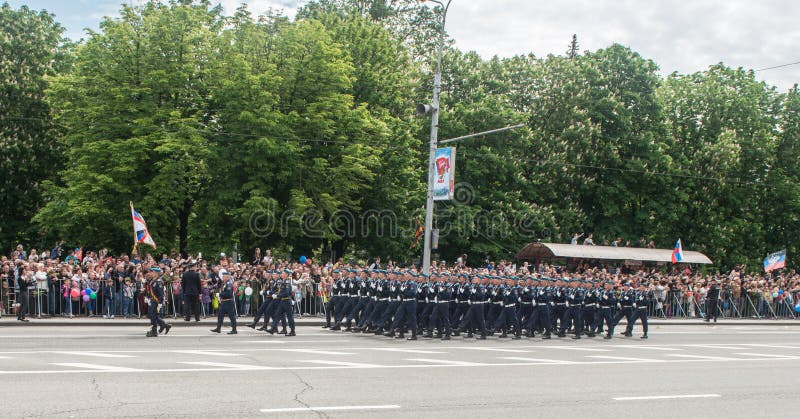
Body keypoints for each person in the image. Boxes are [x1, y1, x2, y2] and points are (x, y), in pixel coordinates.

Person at [145, 267, 171, 337]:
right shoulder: (152, 281)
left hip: (156, 302)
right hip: (152, 301)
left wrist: (160, 303)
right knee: (152, 316)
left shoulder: (159, 282)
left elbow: (161, 294)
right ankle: (164, 325)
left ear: (156, 273)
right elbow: (150, 290)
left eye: (152, 272)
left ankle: (154, 331)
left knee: (153, 316)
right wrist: (147, 297)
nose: (151, 273)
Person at [211, 270, 238, 334]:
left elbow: (228, 294)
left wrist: (220, 294)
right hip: (224, 302)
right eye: (222, 276)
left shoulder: (229, 284)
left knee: (232, 316)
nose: (222, 278)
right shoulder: (224, 283)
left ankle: (234, 330)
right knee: (220, 315)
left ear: (227, 277)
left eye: (224, 276)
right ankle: (218, 328)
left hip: (228, 302)